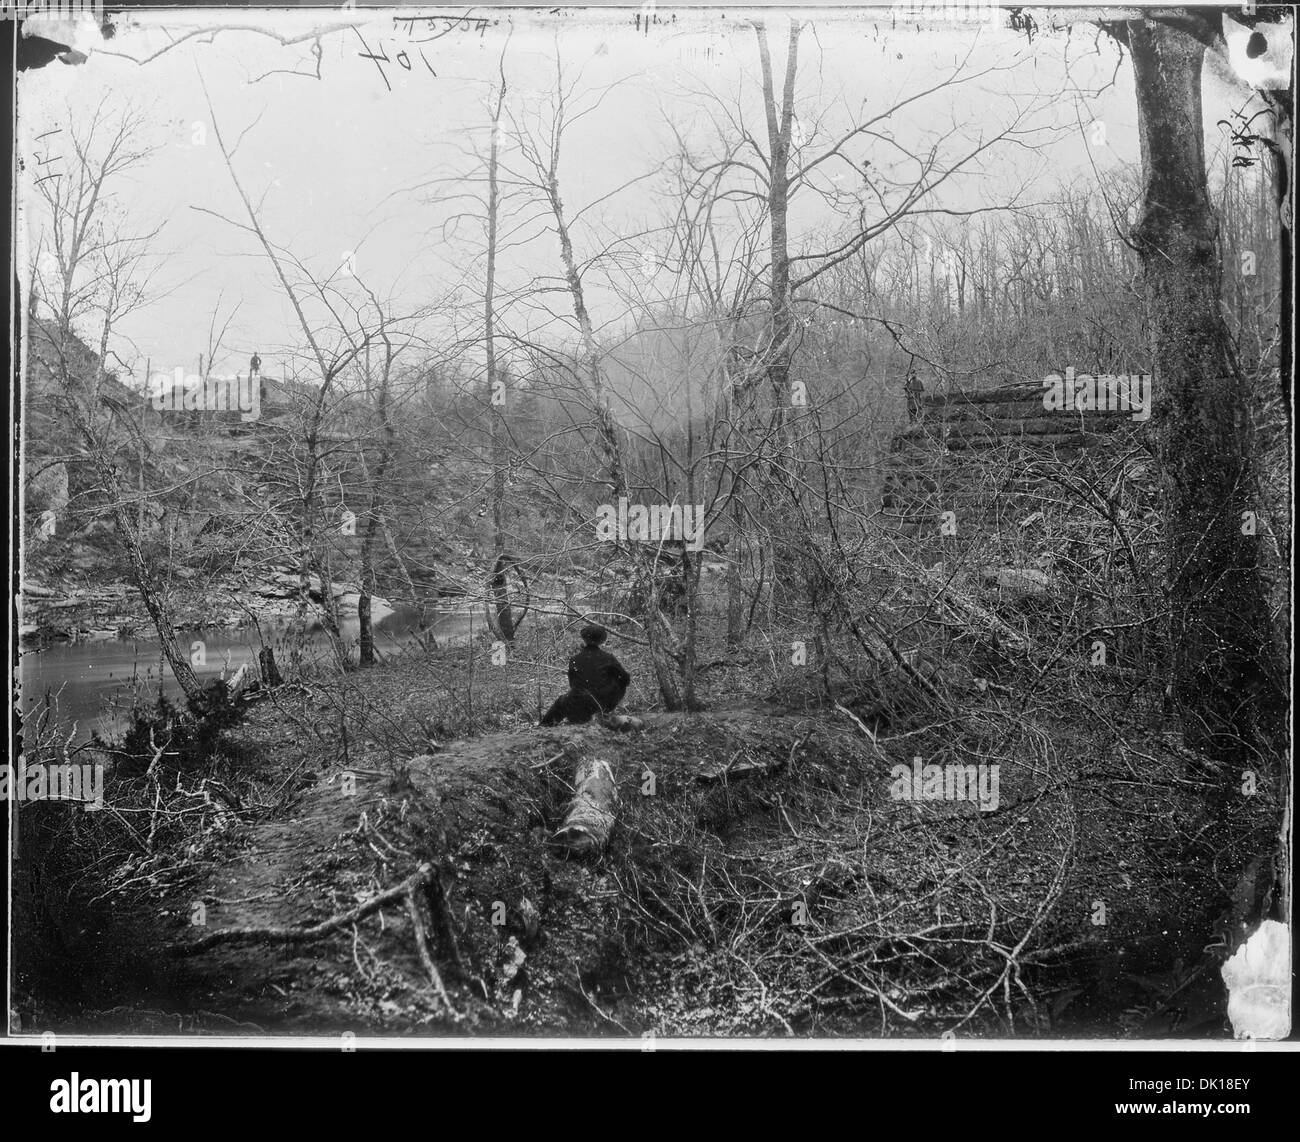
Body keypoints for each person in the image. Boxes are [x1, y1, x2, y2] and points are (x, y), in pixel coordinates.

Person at [540, 625, 631, 726]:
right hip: (603, 702)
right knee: (620, 680)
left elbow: (572, 683)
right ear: (602, 640)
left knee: (562, 701)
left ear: (584, 639)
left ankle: (544, 726)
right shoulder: (609, 659)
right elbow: (626, 679)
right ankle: (604, 712)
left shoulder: (575, 659)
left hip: (578, 704)